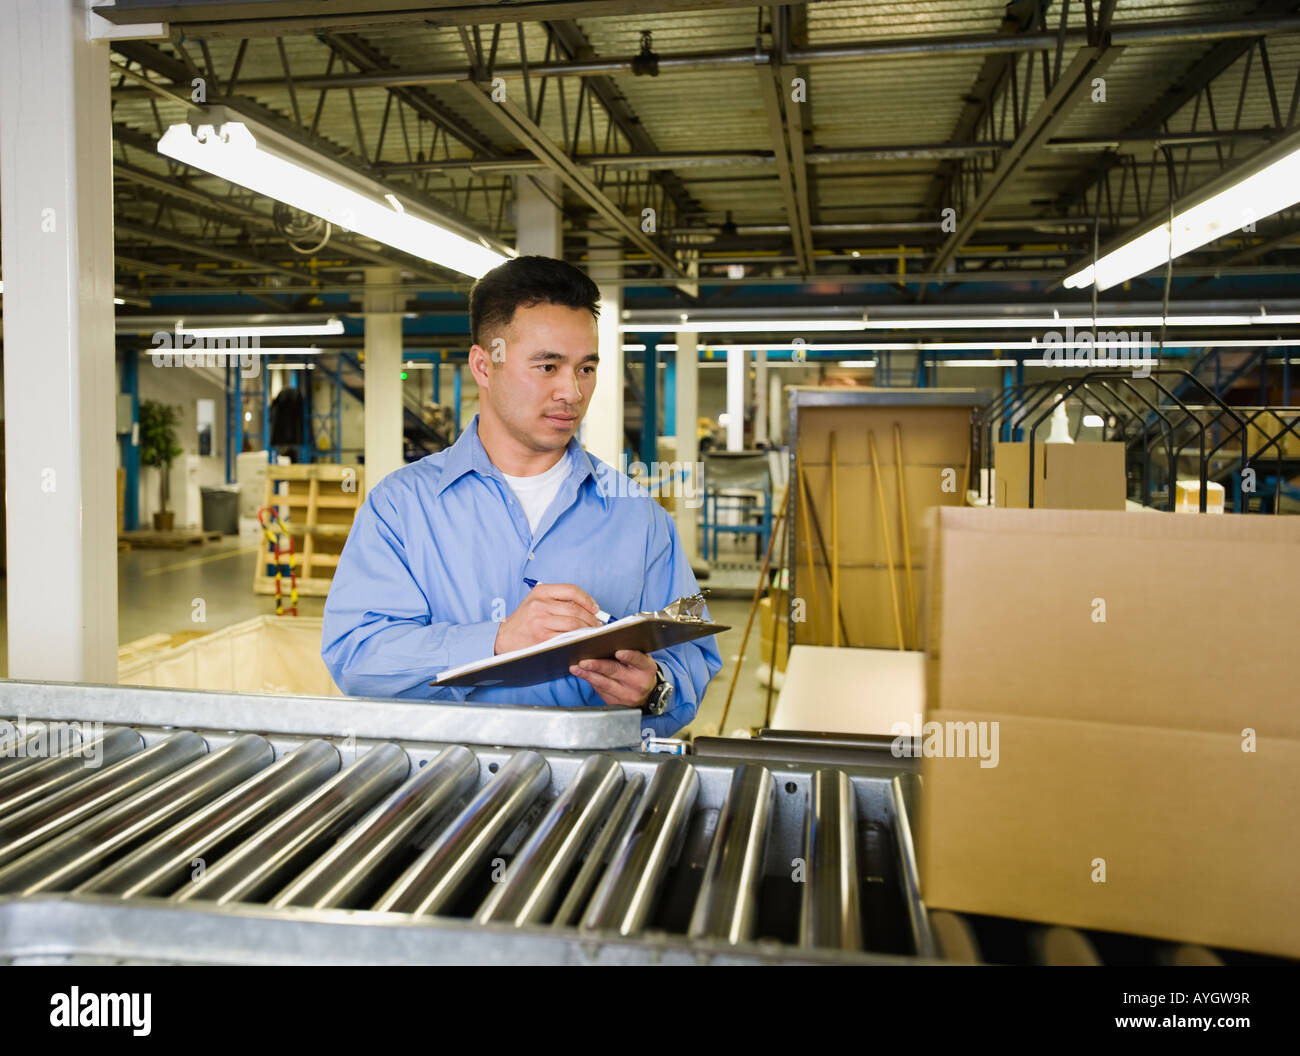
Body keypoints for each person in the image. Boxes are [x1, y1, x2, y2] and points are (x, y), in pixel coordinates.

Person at [321, 255, 721, 736]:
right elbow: (357, 659)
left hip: (594, 790)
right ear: (484, 366)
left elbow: (694, 657)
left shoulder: (639, 516)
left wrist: (656, 689)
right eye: (548, 366)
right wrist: (497, 640)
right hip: (443, 787)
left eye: (586, 368)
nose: (571, 392)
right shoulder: (400, 508)